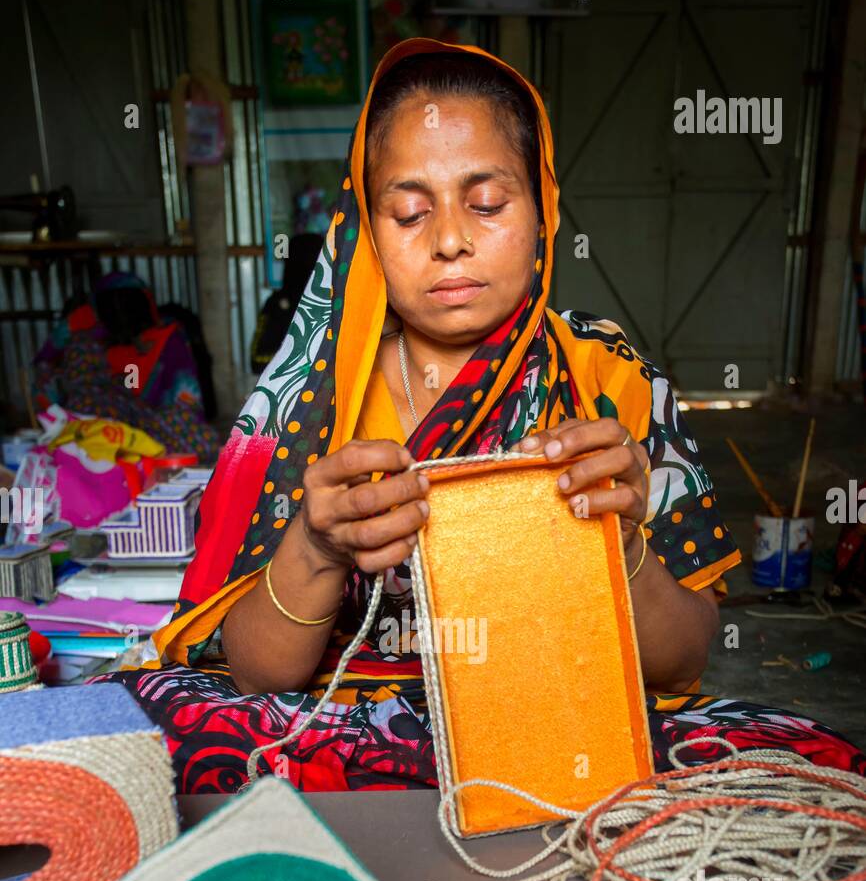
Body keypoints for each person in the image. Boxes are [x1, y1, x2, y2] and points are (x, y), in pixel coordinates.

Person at [94, 39, 865, 793]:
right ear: (367, 227)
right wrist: (318, 548)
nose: (452, 241)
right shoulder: (311, 398)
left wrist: (622, 545)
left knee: (801, 762)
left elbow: (678, 665)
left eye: (487, 203)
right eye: (408, 213)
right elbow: (262, 679)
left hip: (555, 718)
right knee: (152, 735)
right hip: (356, 717)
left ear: (543, 209)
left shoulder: (603, 376)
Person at [33, 271, 221, 465]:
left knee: (195, 433)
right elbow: (51, 371)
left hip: (149, 423)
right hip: (106, 424)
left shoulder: (167, 340)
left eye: (128, 305)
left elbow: (186, 406)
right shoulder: (86, 343)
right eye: (112, 306)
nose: (121, 313)